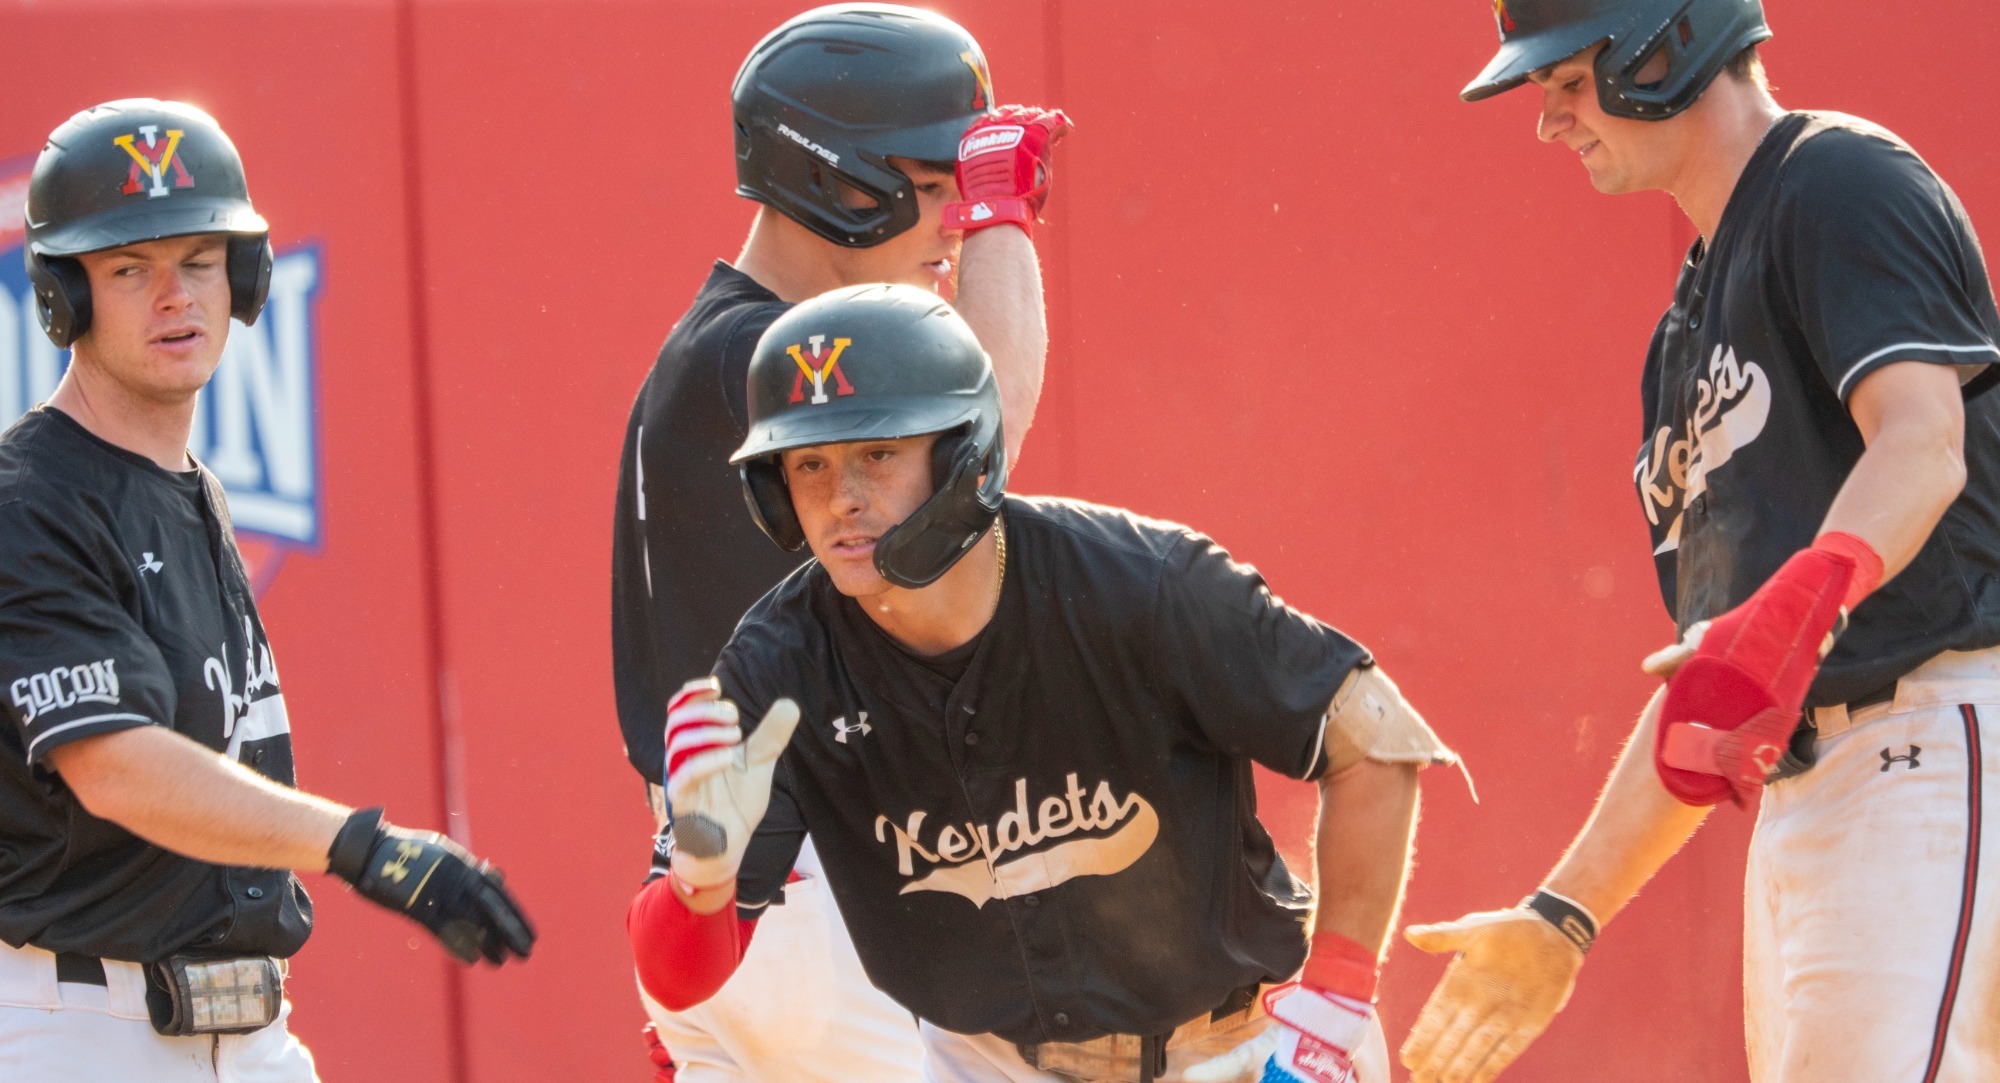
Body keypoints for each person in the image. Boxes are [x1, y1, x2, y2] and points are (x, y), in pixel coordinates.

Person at [626, 284, 1460, 1083]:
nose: (842, 497)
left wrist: (1332, 1009)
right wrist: (704, 883)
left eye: (878, 451)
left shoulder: (1145, 585)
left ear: (964, 453)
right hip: (990, 1060)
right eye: (807, 465)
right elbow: (678, 977)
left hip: (1245, 1045)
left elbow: (1374, 744)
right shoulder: (777, 668)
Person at [1399, 2, 2000, 1081]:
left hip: (1936, 732)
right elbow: (1716, 675)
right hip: (1816, 794)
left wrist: (1802, 600)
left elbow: (1922, 443)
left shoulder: (1836, 178)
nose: (1548, 123)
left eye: (1567, 84)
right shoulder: (1684, 329)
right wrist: (1562, 915)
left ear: (1662, 46)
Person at [0, 98, 534, 1082]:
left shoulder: (185, 485)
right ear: (63, 298)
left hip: (247, 1033)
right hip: (79, 1028)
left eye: (200, 261)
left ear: (244, 279)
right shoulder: (29, 502)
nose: (175, 296)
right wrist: (360, 846)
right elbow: (113, 768)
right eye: (129, 269)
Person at [609, 5, 1070, 1079]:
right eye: (930, 183)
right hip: (821, 898)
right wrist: (1006, 212)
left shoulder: (725, 351)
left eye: (962, 188)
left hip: (732, 904)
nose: (953, 219)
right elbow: (981, 441)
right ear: (833, 180)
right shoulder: (761, 361)